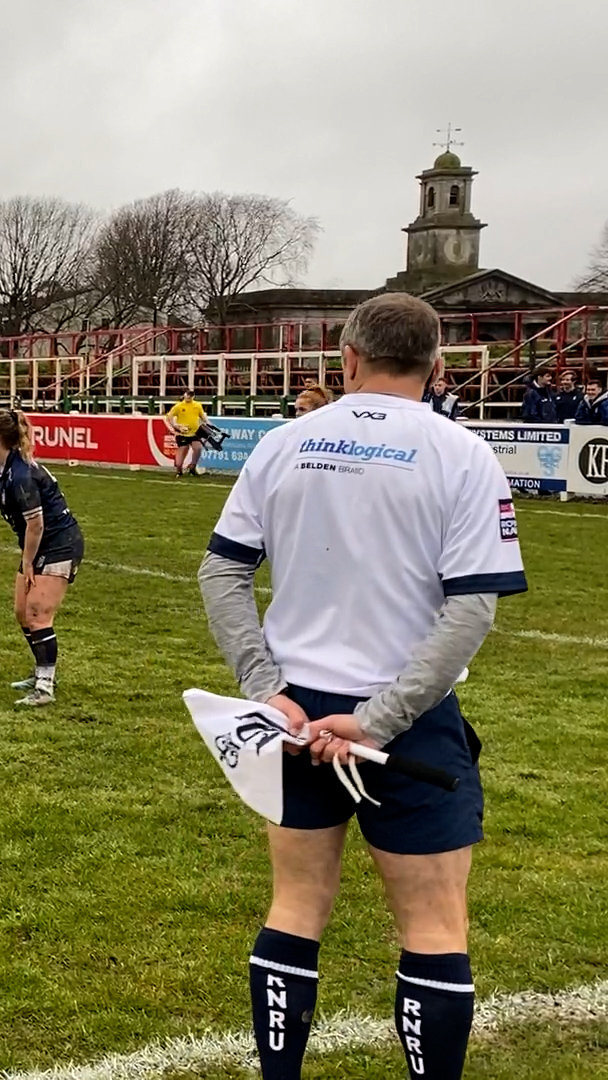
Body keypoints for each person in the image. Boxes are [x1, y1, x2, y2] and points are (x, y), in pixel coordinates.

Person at [198, 293, 526, 1080]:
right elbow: (471, 607)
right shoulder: (464, 454)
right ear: (439, 365)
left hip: (295, 715)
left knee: (296, 905)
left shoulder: (284, 443)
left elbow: (223, 570)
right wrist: (380, 721)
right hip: (407, 724)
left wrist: (264, 683)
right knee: (433, 924)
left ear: (346, 359)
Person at [0, 407, 84, 707]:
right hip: (38, 545)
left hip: (59, 544)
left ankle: (45, 687)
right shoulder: (1, 466)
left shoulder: (22, 474)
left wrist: (28, 562)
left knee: (37, 614)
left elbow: (36, 524)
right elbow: (0, 492)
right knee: (22, 613)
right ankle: (40, 673)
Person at [166, 390, 209, 477]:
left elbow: (203, 417)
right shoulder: (179, 406)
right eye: (187, 396)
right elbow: (169, 417)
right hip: (183, 434)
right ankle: (179, 470)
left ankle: (192, 467)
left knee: (198, 448)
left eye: (190, 396)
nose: (188, 398)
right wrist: (176, 427)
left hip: (194, 432)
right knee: (181, 455)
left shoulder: (197, 405)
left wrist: (208, 424)